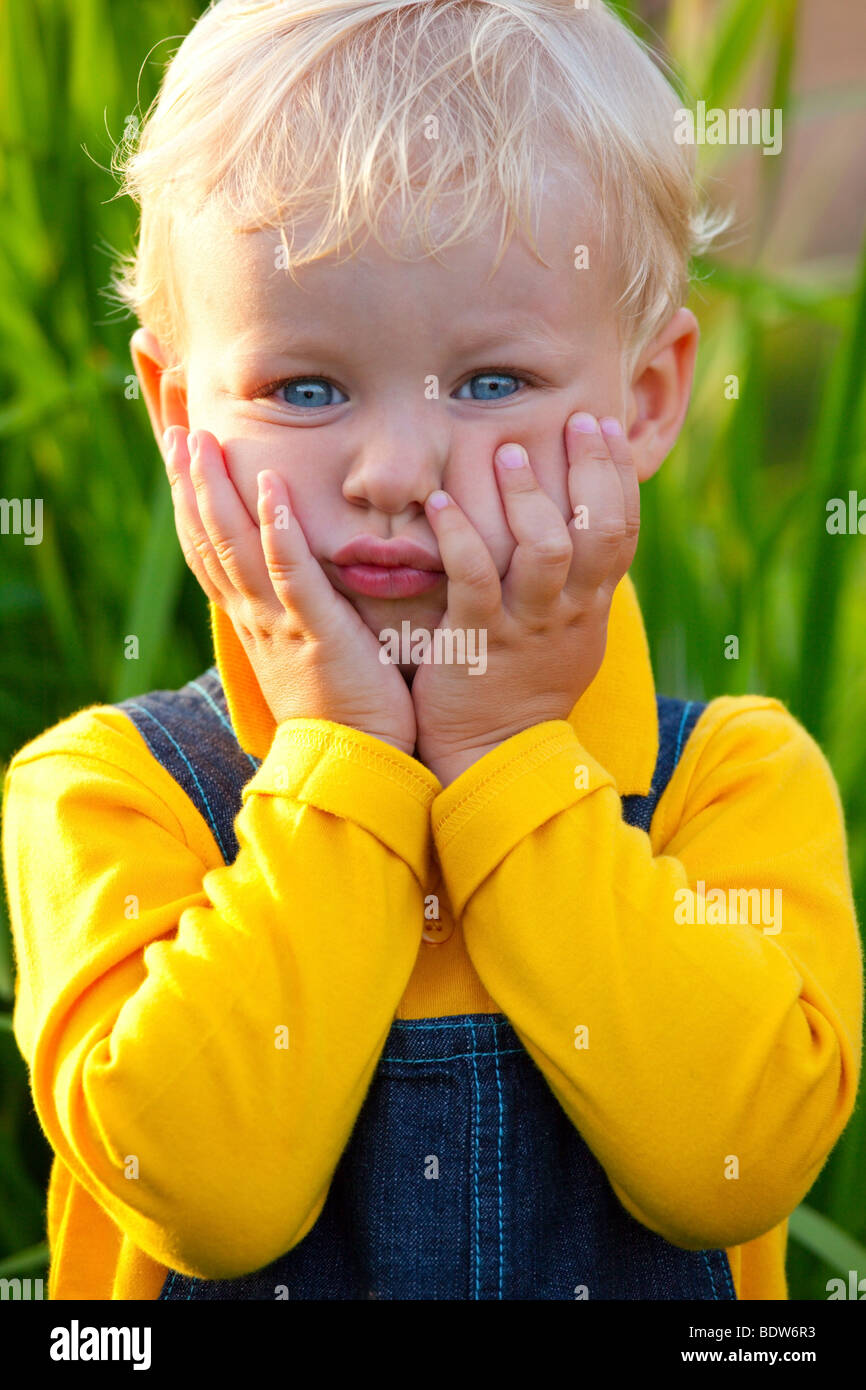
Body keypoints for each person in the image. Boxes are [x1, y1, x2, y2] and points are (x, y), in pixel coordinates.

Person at [3, 0, 861, 1301]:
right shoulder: (106, 792)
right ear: (178, 413)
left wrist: (506, 751)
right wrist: (340, 758)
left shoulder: (728, 788)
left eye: (489, 382)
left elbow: (727, 1170)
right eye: (304, 388)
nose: (394, 471)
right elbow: (211, 1197)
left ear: (643, 400)